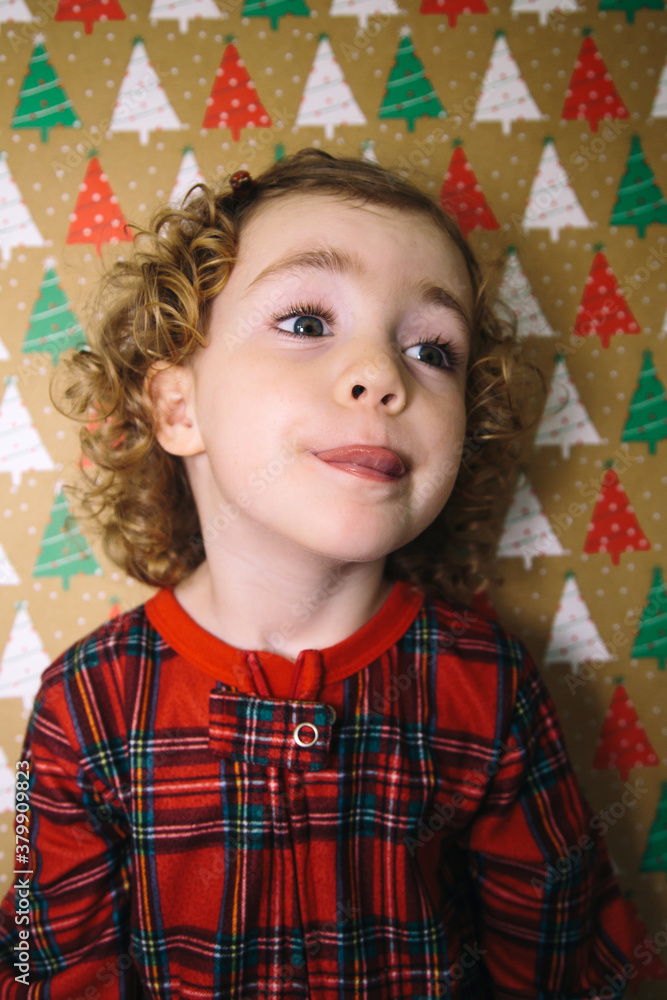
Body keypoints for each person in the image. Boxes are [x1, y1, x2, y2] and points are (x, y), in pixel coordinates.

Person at [0, 148, 639, 999]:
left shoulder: (486, 685)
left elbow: (555, 959)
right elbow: (47, 967)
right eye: (306, 323)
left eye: (432, 351)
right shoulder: (84, 705)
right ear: (179, 407)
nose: (380, 375)